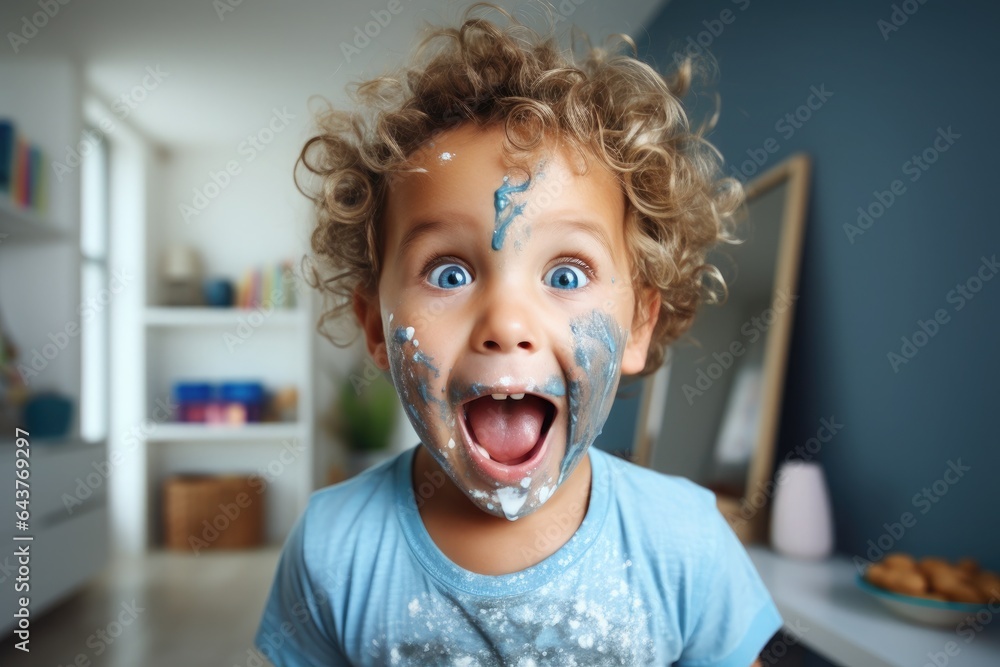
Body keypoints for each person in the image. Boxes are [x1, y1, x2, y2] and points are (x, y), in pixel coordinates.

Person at [256, 6, 782, 665]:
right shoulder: (333, 547)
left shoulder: (686, 543)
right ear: (376, 328)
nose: (506, 324)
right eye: (448, 272)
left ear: (639, 325)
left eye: (565, 274)